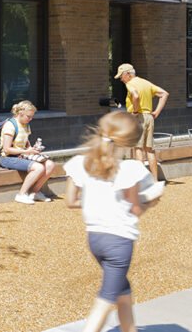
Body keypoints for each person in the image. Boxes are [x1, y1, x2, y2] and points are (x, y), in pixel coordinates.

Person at [63, 110, 157, 332]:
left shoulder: (80, 163)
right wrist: (150, 202)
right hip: (120, 243)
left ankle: (129, 329)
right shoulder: (131, 170)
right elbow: (135, 209)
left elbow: (70, 201)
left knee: (122, 289)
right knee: (104, 301)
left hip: (95, 240)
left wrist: (96, 202)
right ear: (131, 143)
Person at [115, 63, 168, 181]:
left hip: (138, 117)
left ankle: (140, 181)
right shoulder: (145, 82)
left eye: (121, 77)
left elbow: (135, 96)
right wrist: (156, 112)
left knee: (138, 149)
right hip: (149, 117)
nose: (121, 80)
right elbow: (164, 94)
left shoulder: (130, 84)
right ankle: (154, 180)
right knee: (149, 149)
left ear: (128, 74)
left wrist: (134, 111)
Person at [0, 100, 58, 203]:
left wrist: (33, 149)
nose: (30, 119)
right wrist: (26, 151)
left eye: (31, 116)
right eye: (28, 116)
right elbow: (7, 149)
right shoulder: (10, 125)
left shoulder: (25, 124)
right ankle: (21, 194)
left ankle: (35, 193)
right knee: (38, 168)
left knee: (50, 165)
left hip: (21, 155)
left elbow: (26, 143)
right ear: (20, 114)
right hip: (8, 157)